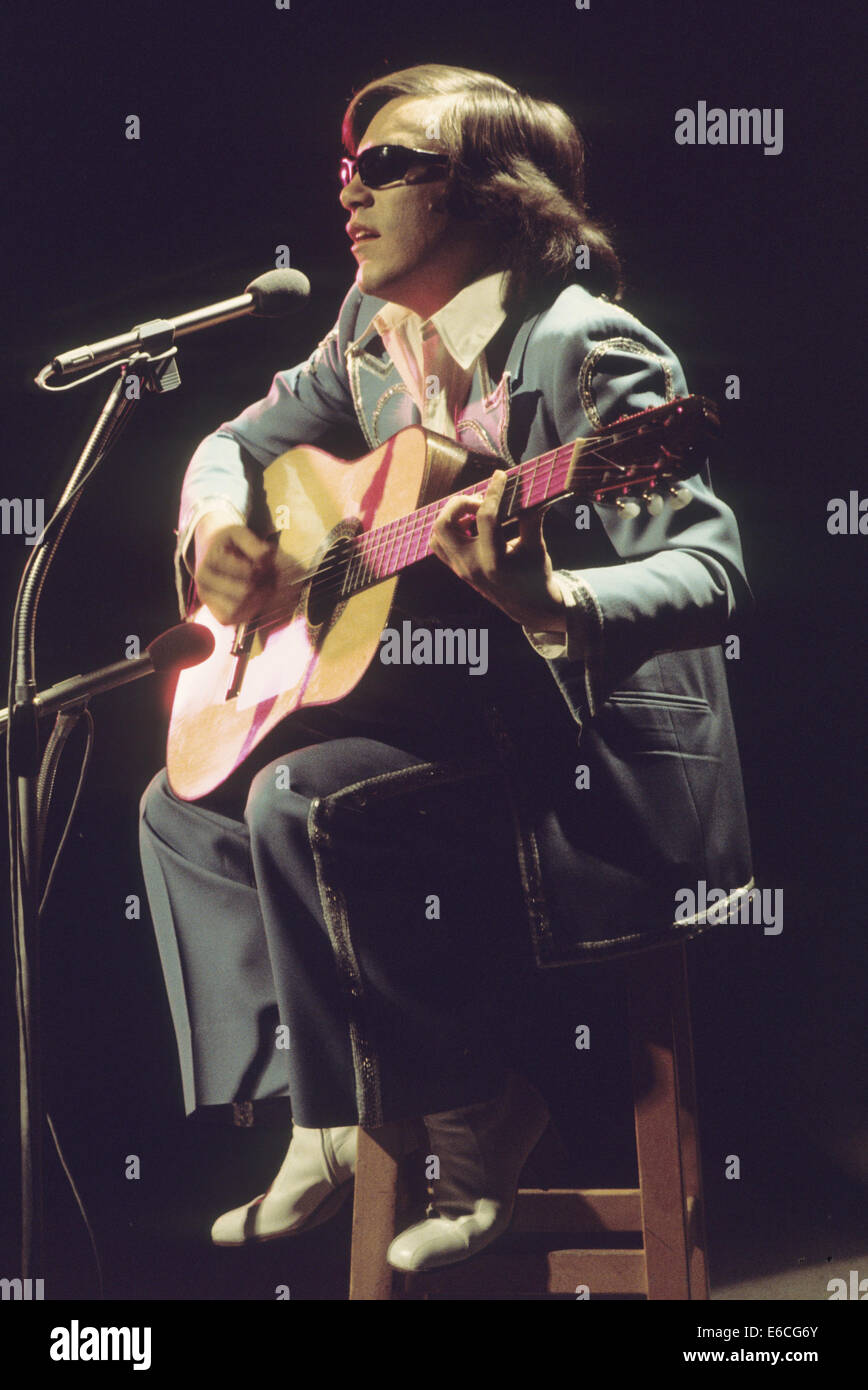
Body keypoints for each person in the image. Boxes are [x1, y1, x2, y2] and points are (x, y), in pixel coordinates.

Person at [139, 63, 753, 1274]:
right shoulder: (366, 345)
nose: (348, 192)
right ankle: (341, 1100)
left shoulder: (585, 343)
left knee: (299, 800)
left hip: (594, 761)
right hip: (464, 735)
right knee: (182, 805)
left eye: (386, 165)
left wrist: (548, 596)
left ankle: (440, 1122)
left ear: (493, 195)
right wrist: (220, 532)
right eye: (343, 168)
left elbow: (714, 564)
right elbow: (229, 442)